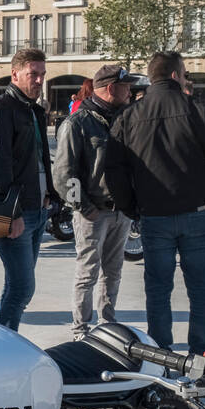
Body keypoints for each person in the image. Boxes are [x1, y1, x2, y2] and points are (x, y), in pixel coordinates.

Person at [107, 51, 205, 355]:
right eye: (185, 73)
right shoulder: (200, 110)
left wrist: (131, 206)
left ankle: (161, 353)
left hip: (154, 214)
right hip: (196, 212)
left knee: (158, 290)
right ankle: (201, 353)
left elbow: (114, 170)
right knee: (200, 289)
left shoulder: (128, 116)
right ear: (176, 75)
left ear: (152, 78)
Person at [0, 47, 58, 332]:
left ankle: (6, 339)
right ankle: (6, 343)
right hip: (17, 214)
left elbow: (37, 160)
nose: (39, 80)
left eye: (42, 75)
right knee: (23, 288)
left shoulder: (32, 110)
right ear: (15, 74)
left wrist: (50, 195)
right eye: (33, 74)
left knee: (18, 286)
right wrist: (13, 214)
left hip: (37, 209)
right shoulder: (0, 109)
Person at [54, 64, 136, 341]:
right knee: (88, 273)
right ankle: (81, 330)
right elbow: (64, 174)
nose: (131, 92)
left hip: (121, 212)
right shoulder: (77, 123)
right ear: (112, 88)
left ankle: (108, 324)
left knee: (113, 272)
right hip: (93, 213)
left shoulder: (126, 118)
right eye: (126, 87)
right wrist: (84, 207)